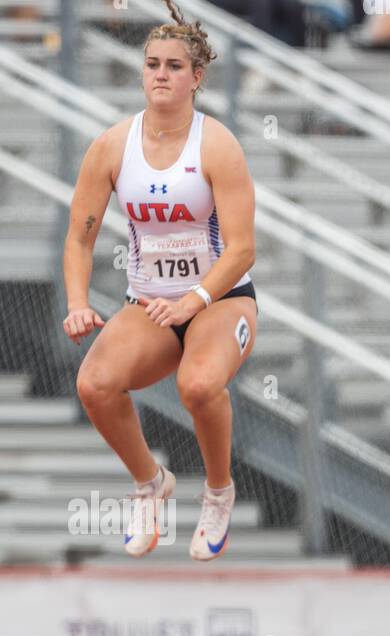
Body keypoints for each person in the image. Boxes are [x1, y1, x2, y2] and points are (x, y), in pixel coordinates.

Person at [63, 0, 258, 561]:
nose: (161, 75)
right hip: (150, 302)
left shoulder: (216, 145)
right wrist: (78, 302)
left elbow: (242, 249)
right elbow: (79, 238)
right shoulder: (112, 146)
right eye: (152, 64)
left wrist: (194, 300)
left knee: (197, 385)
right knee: (95, 384)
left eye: (174, 66)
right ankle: (151, 483)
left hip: (221, 298)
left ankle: (218, 492)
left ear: (197, 77)